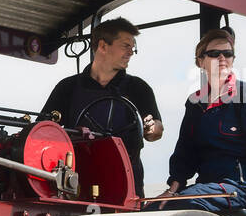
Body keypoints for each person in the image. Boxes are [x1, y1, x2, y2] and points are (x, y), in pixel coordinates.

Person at [153, 29, 246, 211]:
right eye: (214, 54)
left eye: (228, 54)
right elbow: (185, 151)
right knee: (154, 208)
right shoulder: (195, 102)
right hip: (207, 188)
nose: (222, 58)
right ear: (201, 61)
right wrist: (172, 190)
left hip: (239, 187)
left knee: (187, 202)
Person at [38, 17, 163, 194]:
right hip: (77, 182)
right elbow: (44, 131)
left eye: (133, 47)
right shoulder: (67, 88)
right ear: (103, 46)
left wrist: (153, 128)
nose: (131, 52)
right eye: (126, 45)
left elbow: (156, 131)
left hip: (126, 182)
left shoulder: (139, 88)